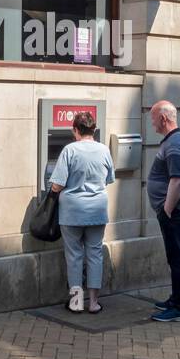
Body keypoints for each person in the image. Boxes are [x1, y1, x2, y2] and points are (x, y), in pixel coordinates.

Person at [49, 111, 115, 313]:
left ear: (75, 130)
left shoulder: (70, 150)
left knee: (74, 255)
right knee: (95, 254)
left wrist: (52, 193)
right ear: (93, 130)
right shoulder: (104, 150)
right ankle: (94, 303)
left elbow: (57, 184)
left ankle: (76, 302)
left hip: (72, 212)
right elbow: (109, 179)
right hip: (96, 210)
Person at [146, 100, 180, 321]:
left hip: (173, 212)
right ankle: (175, 299)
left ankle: (179, 308)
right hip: (173, 211)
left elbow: (176, 182)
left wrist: (166, 211)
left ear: (164, 118)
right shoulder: (173, 141)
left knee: (177, 258)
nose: (152, 123)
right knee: (175, 257)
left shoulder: (174, 145)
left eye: (154, 118)